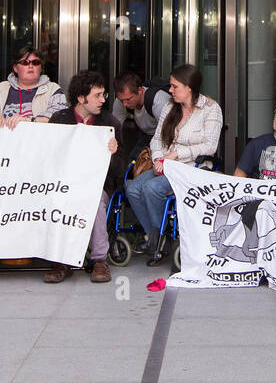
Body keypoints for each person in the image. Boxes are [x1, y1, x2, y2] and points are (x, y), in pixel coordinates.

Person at [124, 63, 222, 265]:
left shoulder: (210, 109)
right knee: (132, 188)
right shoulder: (170, 107)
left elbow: (210, 146)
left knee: (152, 188)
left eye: (174, 86)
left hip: (192, 168)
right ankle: (157, 236)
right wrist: (159, 158)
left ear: (189, 88)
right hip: (165, 164)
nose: (170, 90)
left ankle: (158, 240)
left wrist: (176, 154)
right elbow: (157, 139)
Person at [46, 70, 124, 285]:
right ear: (81, 98)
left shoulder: (110, 123)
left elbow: (119, 171)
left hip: (97, 185)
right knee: (57, 199)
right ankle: (60, 260)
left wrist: (114, 153)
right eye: (97, 95)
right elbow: (49, 159)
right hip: (64, 183)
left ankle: (99, 260)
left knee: (96, 200)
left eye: (103, 95)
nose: (102, 100)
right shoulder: (59, 120)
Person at [0, 44, 67, 127]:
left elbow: (60, 118)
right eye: (24, 62)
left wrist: (27, 121)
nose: (30, 66)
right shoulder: (1, 88)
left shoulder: (53, 89)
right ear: (15, 68)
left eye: (35, 62)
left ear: (41, 68)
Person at [111, 71, 170, 151]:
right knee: (134, 161)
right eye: (122, 100)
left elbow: (170, 133)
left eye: (128, 99)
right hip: (146, 135)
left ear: (140, 91)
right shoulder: (121, 101)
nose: (124, 104)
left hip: (166, 136)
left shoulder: (158, 101)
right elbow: (115, 129)